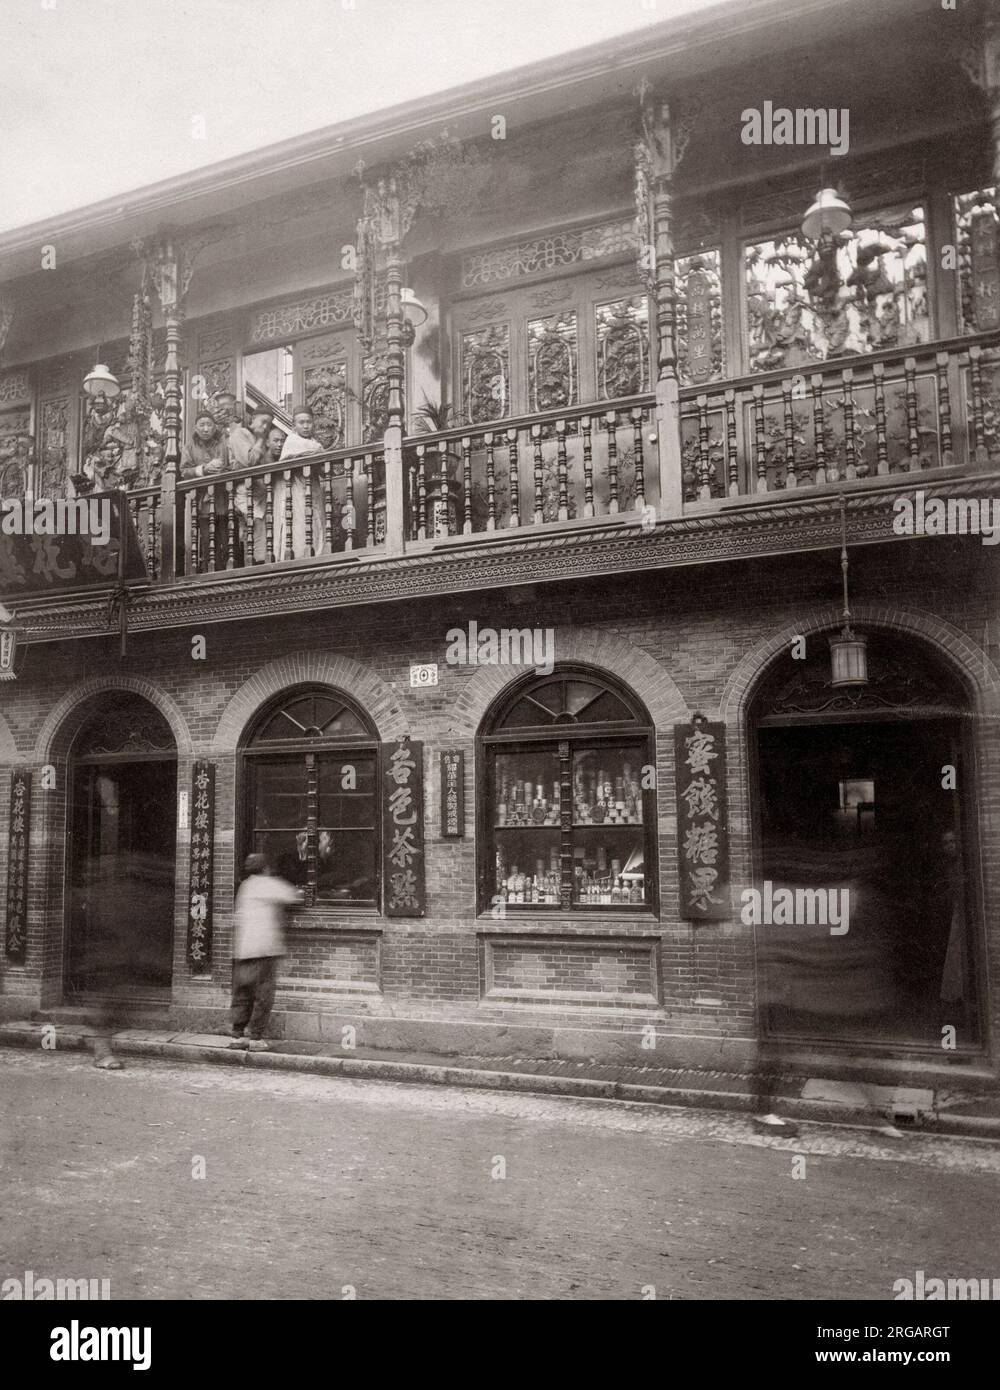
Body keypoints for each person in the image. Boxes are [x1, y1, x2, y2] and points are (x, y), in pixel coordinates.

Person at [229, 853, 303, 1050]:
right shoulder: (268, 883)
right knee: (263, 994)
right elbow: (293, 896)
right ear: (265, 868)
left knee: (242, 993)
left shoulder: (244, 886)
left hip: (243, 948)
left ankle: (237, 1035)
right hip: (264, 949)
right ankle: (255, 1038)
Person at [274, 406, 324, 560]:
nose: (306, 425)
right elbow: (306, 453)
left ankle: (316, 554)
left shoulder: (314, 442)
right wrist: (315, 452)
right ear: (294, 426)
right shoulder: (292, 441)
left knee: (315, 522)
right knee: (299, 524)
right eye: (301, 422)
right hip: (296, 489)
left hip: (312, 488)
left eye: (309, 422)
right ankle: (299, 557)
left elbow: (321, 460)